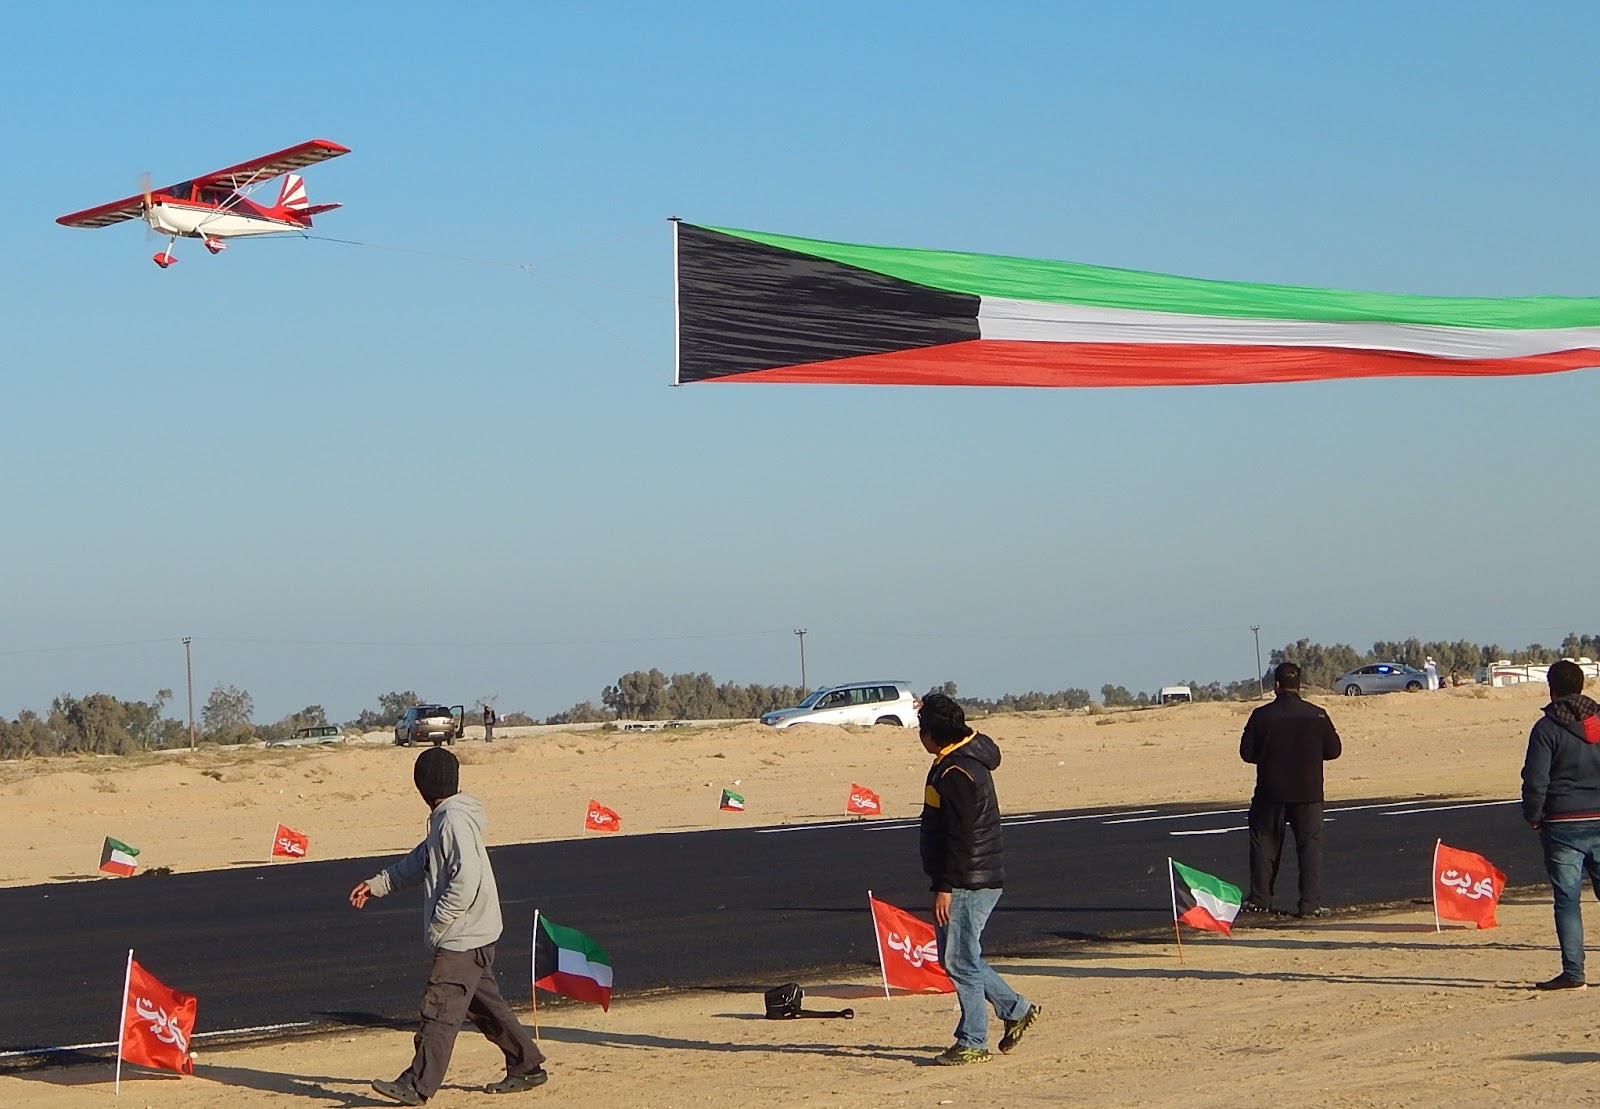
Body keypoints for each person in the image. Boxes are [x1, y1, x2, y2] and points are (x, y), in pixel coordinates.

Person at [349, 748, 547, 1103]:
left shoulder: (452, 821)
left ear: (422, 786)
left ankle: (416, 1084)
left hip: (463, 934)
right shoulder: (446, 819)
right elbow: (420, 861)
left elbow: (465, 879)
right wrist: (378, 884)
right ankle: (526, 1064)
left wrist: (440, 923)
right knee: (484, 1006)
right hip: (476, 930)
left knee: (440, 1008)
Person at [917, 692, 1040, 1065]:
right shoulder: (959, 760)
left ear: (934, 735)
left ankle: (972, 1040)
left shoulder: (958, 772)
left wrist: (944, 887)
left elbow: (961, 837)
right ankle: (1015, 1009)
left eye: (922, 731)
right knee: (960, 957)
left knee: (959, 962)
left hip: (967, 881)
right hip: (967, 878)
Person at [1520, 658, 1600, 990]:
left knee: (1567, 900)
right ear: (1582, 685)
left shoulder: (1547, 727)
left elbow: (1536, 779)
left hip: (1562, 823)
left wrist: (1533, 815)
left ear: (1551, 688)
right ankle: (1573, 973)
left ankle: (1574, 973)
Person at [1240, 662, 1342, 918]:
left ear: (1276, 686)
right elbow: (1334, 751)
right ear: (1299, 685)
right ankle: (1309, 905)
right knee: (1309, 849)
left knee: (1264, 845)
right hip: (1308, 793)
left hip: (1270, 792)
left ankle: (1260, 899)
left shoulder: (1261, 716)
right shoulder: (1317, 715)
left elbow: (1247, 754)